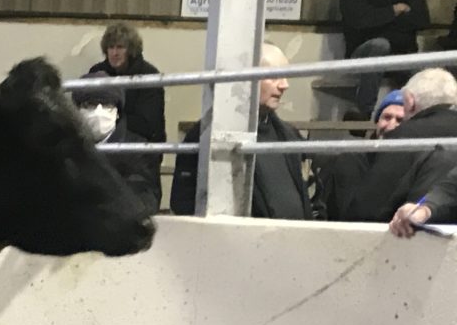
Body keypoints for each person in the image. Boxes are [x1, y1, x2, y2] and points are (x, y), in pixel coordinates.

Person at [170, 43, 314, 220]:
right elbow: (184, 201)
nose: (285, 85)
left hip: (297, 242)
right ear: (248, 78)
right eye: (274, 76)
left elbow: (314, 196)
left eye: (286, 76)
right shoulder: (208, 135)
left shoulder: (291, 136)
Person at [340, 68, 457, 224]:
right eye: (386, 117)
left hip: (414, 237)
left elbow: (368, 208)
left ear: (409, 101)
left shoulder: (407, 135)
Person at [338, 0, 431, 116]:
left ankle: (421, 119)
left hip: (401, 53)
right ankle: (364, 113)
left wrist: (379, 19)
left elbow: (422, 20)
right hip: (364, 54)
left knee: (423, 72)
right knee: (379, 45)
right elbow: (358, 20)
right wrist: (394, 11)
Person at [71, 73, 159, 216]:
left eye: (106, 104)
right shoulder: (65, 147)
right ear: (77, 110)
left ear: (118, 111)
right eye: (90, 104)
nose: (98, 112)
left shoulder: (138, 149)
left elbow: (146, 201)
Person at [315, 89, 406, 221]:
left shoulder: (414, 167)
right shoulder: (348, 160)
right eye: (386, 117)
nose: (391, 125)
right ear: (377, 122)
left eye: (400, 120)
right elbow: (323, 210)